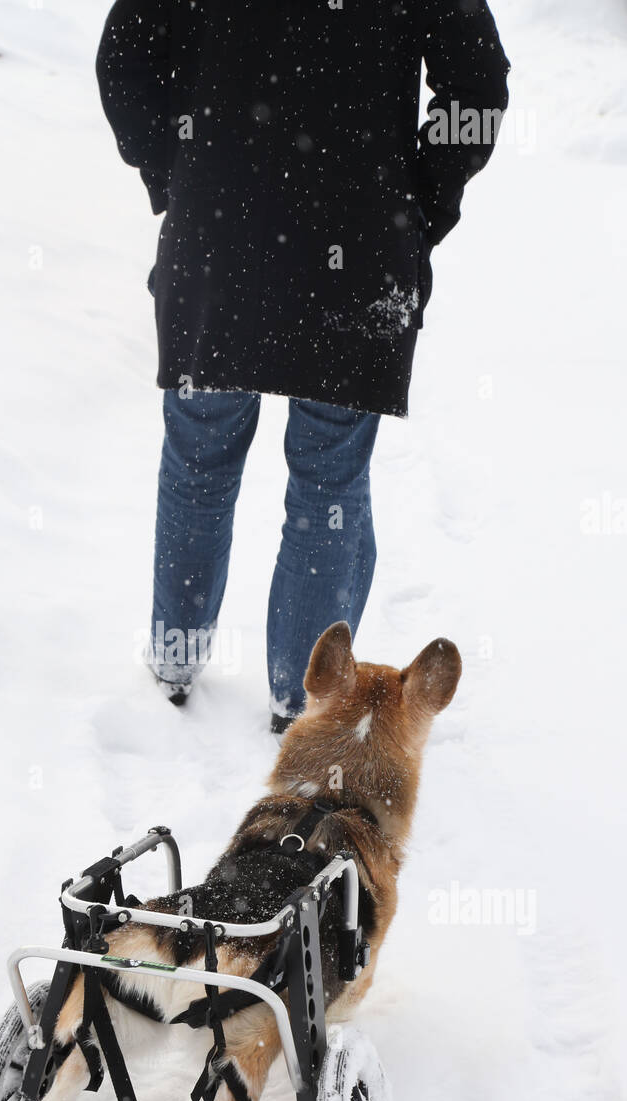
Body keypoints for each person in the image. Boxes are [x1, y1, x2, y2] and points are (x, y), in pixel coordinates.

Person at [96, 0, 509, 732]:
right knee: (327, 479)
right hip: (357, 244)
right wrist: (421, 202)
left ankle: (174, 665)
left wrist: (175, 174)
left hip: (217, 239)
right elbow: (474, 91)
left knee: (198, 459)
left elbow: (125, 61)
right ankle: (305, 701)